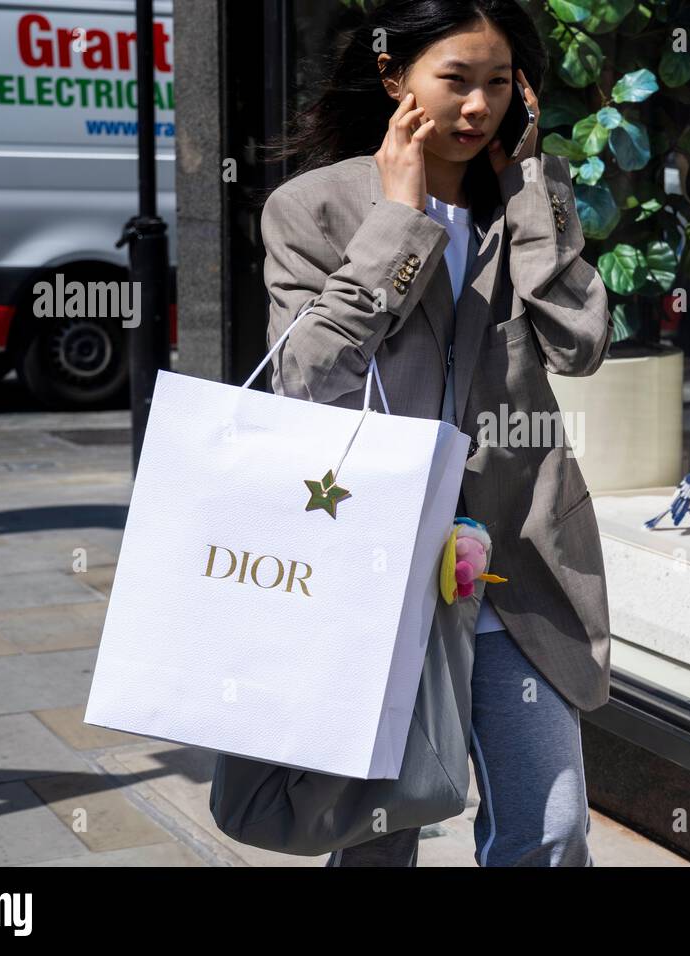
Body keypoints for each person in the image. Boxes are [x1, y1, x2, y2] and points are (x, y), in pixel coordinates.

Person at [260, 0, 613, 866]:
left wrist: (534, 202)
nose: (476, 107)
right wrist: (399, 223)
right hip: (375, 563)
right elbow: (304, 376)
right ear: (395, 78)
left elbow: (581, 344)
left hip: (514, 564)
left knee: (553, 825)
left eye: (499, 85)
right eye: (454, 80)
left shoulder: (528, 199)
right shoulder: (312, 208)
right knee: (379, 837)